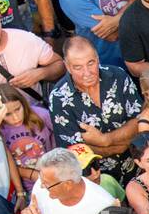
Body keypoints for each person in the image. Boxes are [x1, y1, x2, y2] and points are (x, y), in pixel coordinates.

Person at [47, 37, 143, 184]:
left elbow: (139, 121)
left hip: (139, 166)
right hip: (98, 178)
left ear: (97, 59)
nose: (87, 72)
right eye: (78, 67)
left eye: (90, 63)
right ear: (67, 67)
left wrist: (106, 140)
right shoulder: (58, 97)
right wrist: (122, 144)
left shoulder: (118, 75)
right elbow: (74, 150)